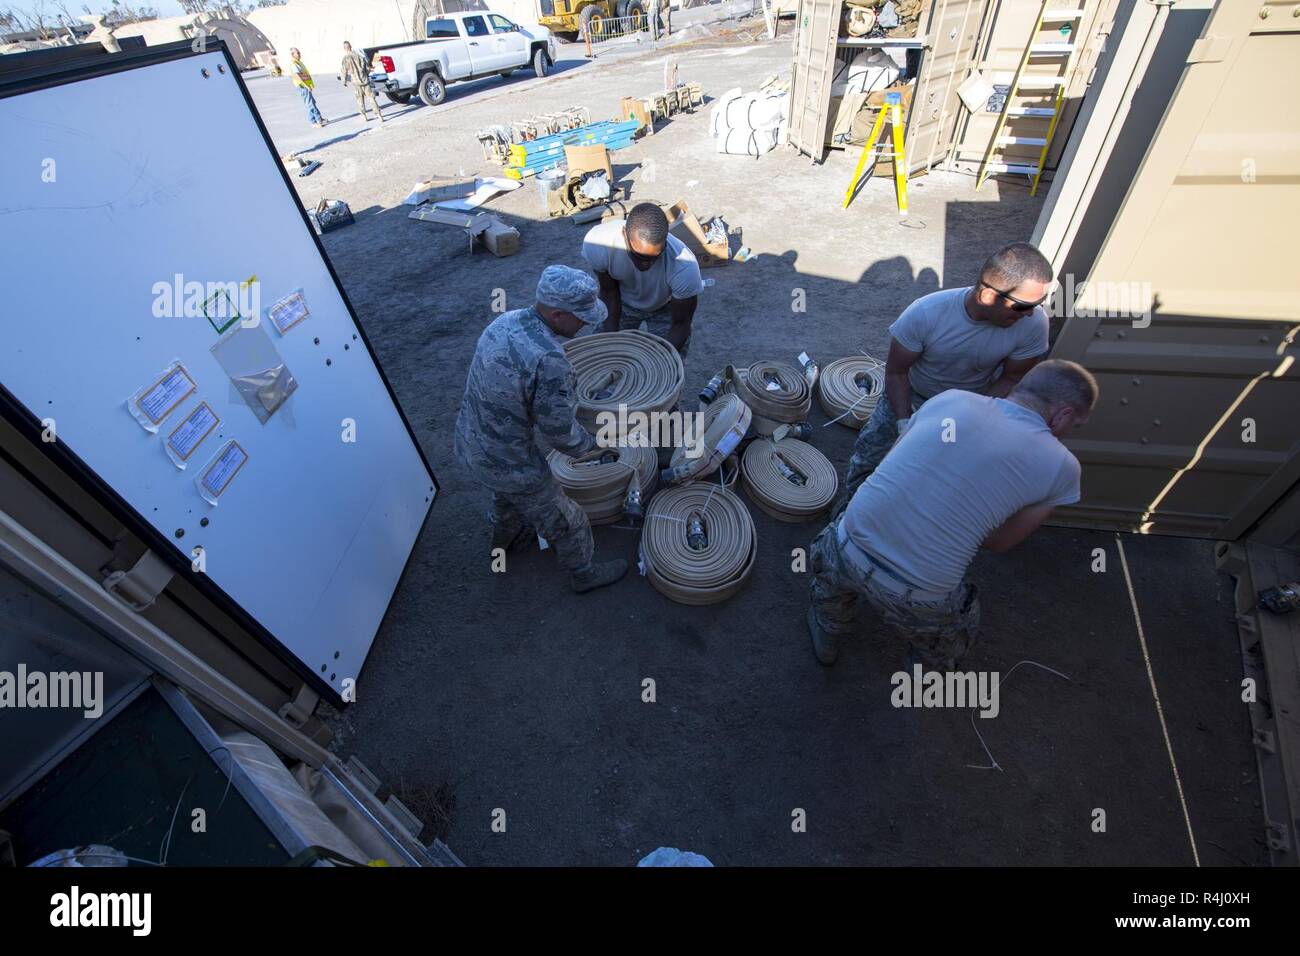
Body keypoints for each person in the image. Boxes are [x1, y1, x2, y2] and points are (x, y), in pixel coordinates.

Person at [808, 359, 1099, 669]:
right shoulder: (1063, 467)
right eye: (1074, 425)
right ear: (1063, 414)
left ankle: (828, 627)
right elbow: (997, 543)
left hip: (843, 545)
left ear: (1020, 388)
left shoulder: (951, 399)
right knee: (954, 634)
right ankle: (923, 670)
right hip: (918, 594)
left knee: (831, 576)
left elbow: (891, 463)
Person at [454, 265, 628, 594]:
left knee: (506, 499)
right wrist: (593, 446)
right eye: (582, 316)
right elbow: (560, 434)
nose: (588, 322)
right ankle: (584, 574)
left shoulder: (505, 321)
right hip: (509, 461)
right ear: (557, 314)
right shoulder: (550, 360)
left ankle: (504, 541)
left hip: (470, 441)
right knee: (566, 518)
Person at [842, 242, 1054, 502]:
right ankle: (846, 512)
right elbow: (897, 373)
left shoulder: (1033, 324)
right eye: (1022, 305)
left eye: (1039, 303)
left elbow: (1012, 378)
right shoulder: (925, 313)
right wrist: (904, 423)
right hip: (912, 397)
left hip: (967, 408)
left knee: (933, 478)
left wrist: (974, 417)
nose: (1031, 312)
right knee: (871, 461)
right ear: (988, 295)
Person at [582, 203, 703, 356]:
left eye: (655, 257)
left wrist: (660, 361)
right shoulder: (599, 244)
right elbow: (609, 291)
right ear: (625, 234)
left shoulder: (684, 267)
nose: (647, 264)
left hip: (666, 308)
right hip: (622, 301)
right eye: (638, 256)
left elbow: (681, 324)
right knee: (600, 354)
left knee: (667, 370)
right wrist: (611, 341)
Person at [339, 41, 383, 123]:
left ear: (345, 49)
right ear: (351, 46)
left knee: (359, 100)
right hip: (365, 80)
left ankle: (364, 116)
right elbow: (366, 68)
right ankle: (378, 115)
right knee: (371, 98)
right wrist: (366, 74)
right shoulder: (359, 56)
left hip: (356, 83)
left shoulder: (345, 59)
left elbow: (343, 71)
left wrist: (344, 81)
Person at [289, 48, 327, 128]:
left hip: (305, 86)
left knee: (310, 102)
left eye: (299, 52)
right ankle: (319, 120)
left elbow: (304, 75)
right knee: (310, 104)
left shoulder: (298, 62)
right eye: (297, 53)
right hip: (302, 86)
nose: (299, 54)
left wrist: (310, 85)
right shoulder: (294, 64)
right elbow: (298, 76)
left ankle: (313, 121)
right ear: (293, 55)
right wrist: (306, 86)